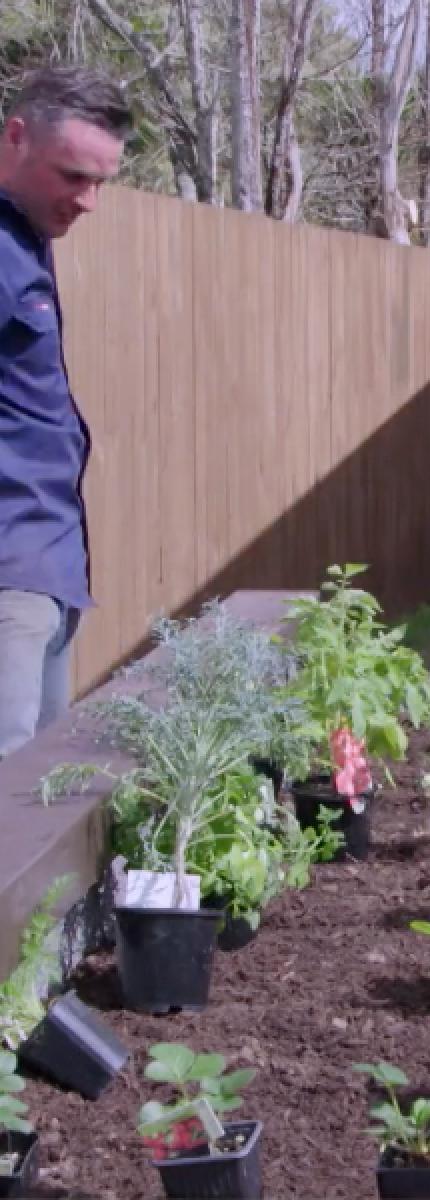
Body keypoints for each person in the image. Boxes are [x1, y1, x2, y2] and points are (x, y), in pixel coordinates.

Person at [0, 67, 131, 757]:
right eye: (73, 176)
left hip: (45, 567)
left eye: (100, 181)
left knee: (36, 802)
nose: (89, 201)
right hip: (9, 577)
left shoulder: (25, 238)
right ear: (15, 138)